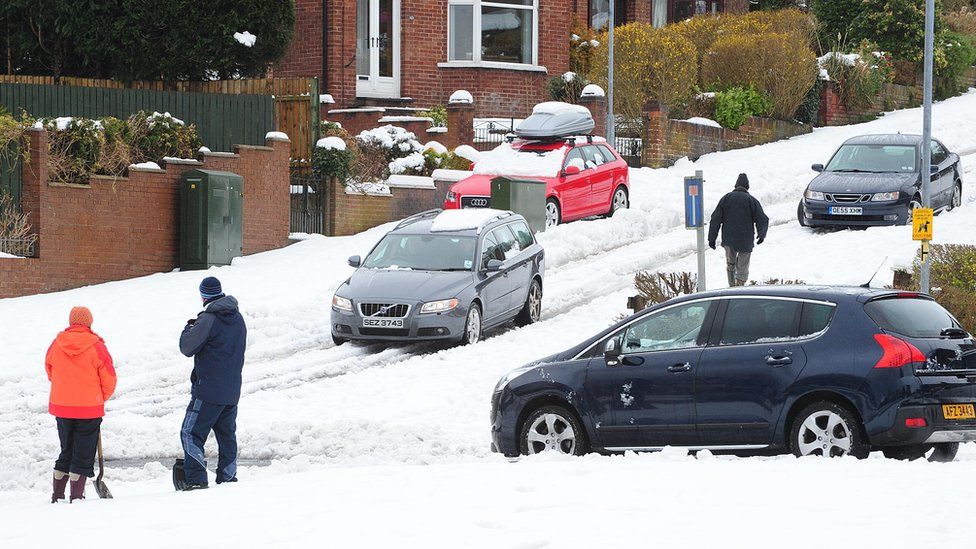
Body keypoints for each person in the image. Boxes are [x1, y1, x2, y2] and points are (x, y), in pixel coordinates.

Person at [177, 276, 247, 491]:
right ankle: (228, 477)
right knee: (226, 435)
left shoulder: (208, 319)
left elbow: (187, 347)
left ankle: (196, 479)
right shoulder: (238, 318)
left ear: (203, 295)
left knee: (190, 433)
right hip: (231, 390)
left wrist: (189, 328)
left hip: (208, 390)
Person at [46, 306, 117, 503]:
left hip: (61, 406)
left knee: (66, 448)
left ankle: (57, 494)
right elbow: (109, 378)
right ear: (89, 322)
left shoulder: (56, 343)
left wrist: (64, 392)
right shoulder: (97, 346)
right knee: (83, 451)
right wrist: (97, 398)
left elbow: (50, 369)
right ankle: (76, 497)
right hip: (88, 409)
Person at [707, 173, 769, 287]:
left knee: (730, 263)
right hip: (745, 239)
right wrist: (762, 234)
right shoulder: (751, 200)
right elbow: (762, 218)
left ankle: (731, 285)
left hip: (729, 238)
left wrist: (712, 238)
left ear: (736, 185)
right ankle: (739, 287)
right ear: (747, 187)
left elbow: (715, 219)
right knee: (743, 265)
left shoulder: (726, 198)